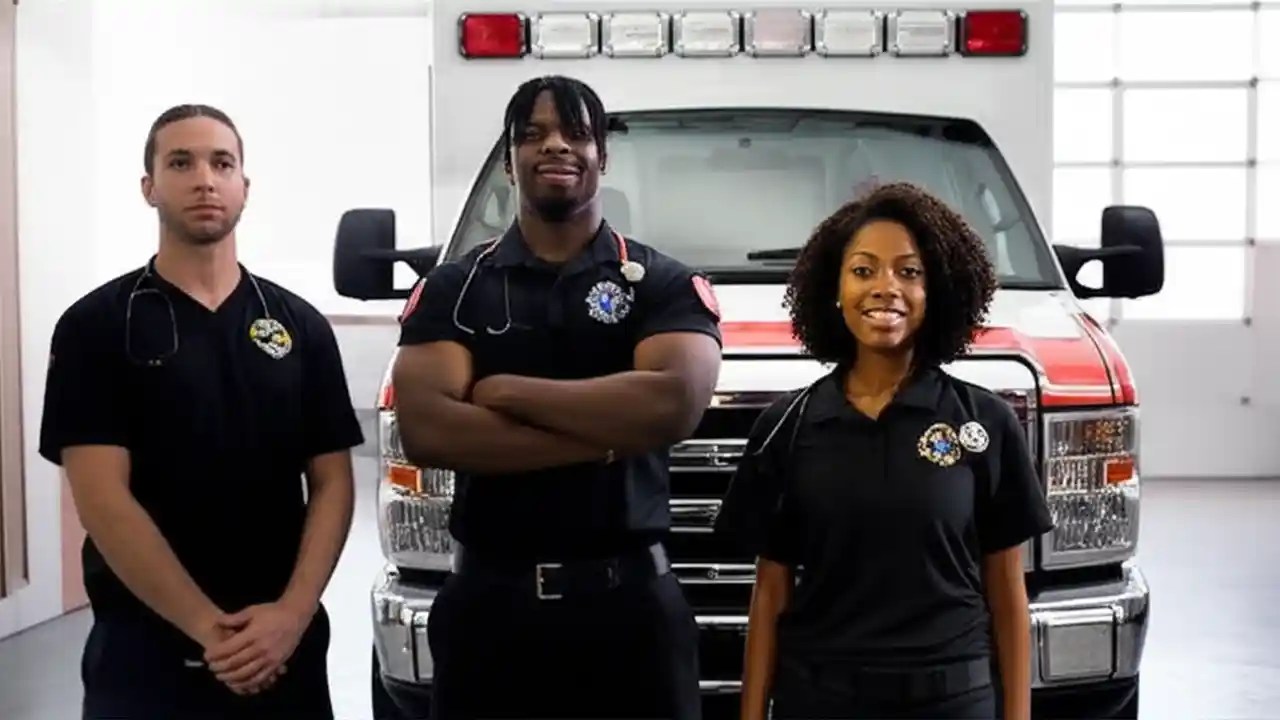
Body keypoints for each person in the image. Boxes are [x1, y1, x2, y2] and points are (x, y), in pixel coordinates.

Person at [391, 75, 723, 720]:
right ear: (511, 157)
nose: (555, 147)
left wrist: (506, 391)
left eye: (575, 133)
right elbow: (431, 430)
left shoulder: (662, 283)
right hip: (491, 609)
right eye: (533, 134)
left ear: (603, 154)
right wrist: (607, 433)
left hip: (631, 612)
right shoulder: (455, 290)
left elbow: (674, 404)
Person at [37, 104, 364, 719]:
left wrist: (293, 614)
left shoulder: (299, 326)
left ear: (245, 186)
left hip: (284, 650)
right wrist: (207, 629)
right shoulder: (97, 327)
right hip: (145, 656)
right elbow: (104, 502)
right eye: (180, 162)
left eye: (222, 163)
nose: (205, 179)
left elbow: (331, 482)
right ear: (149, 187)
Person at [715, 181, 1055, 720]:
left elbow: (1008, 594)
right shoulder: (786, 426)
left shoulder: (985, 423)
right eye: (864, 269)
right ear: (835, 287)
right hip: (821, 698)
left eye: (909, 271)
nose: (885, 287)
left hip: (953, 698)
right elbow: (770, 593)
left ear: (935, 291)